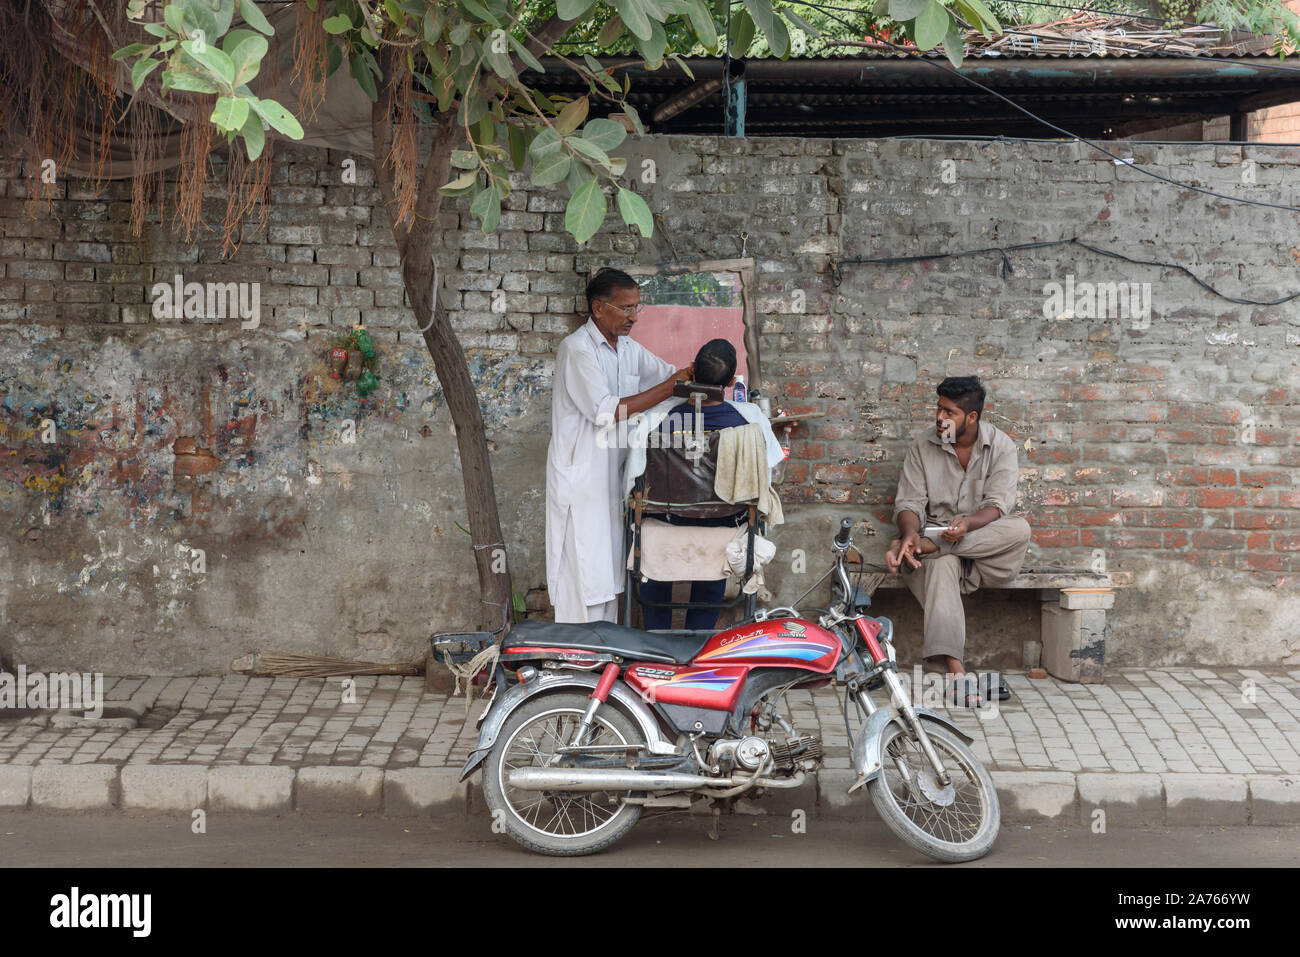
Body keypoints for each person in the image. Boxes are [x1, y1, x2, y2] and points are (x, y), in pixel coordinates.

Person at [545, 268, 692, 624]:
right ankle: (577, 662)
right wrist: (671, 386)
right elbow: (607, 411)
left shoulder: (627, 348)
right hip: (581, 479)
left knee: (608, 574)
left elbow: (668, 374)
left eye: (637, 308)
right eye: (626, 308)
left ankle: (603, 658)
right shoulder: (578, 350)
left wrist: (705, 375)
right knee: (582, 573)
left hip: (612, 479)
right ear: (598, 308)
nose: (634, 317)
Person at [885, 376, 1031, 706]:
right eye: (938, 409)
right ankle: (955, 672)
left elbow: (997, 506)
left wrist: (967, 525)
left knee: (1019, 529)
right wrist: (910, 535)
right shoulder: (922, 447)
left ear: (972, 417)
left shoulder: (1002, 446)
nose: (939, 418)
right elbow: (908, 504)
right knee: (942, 564)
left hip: (985, 556)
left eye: (949, 412)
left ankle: (931, 546)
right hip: (933, 557)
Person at [637, 339, 770, 631]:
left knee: (653, 552)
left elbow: (633, 475)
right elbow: (766, 469)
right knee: (720, 521)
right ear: (732, 381)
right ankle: (699, 643)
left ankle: (654, 642)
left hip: (663, 525)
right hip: (724, 525)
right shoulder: (750, 420)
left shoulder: (655, 418)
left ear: (692, 371)